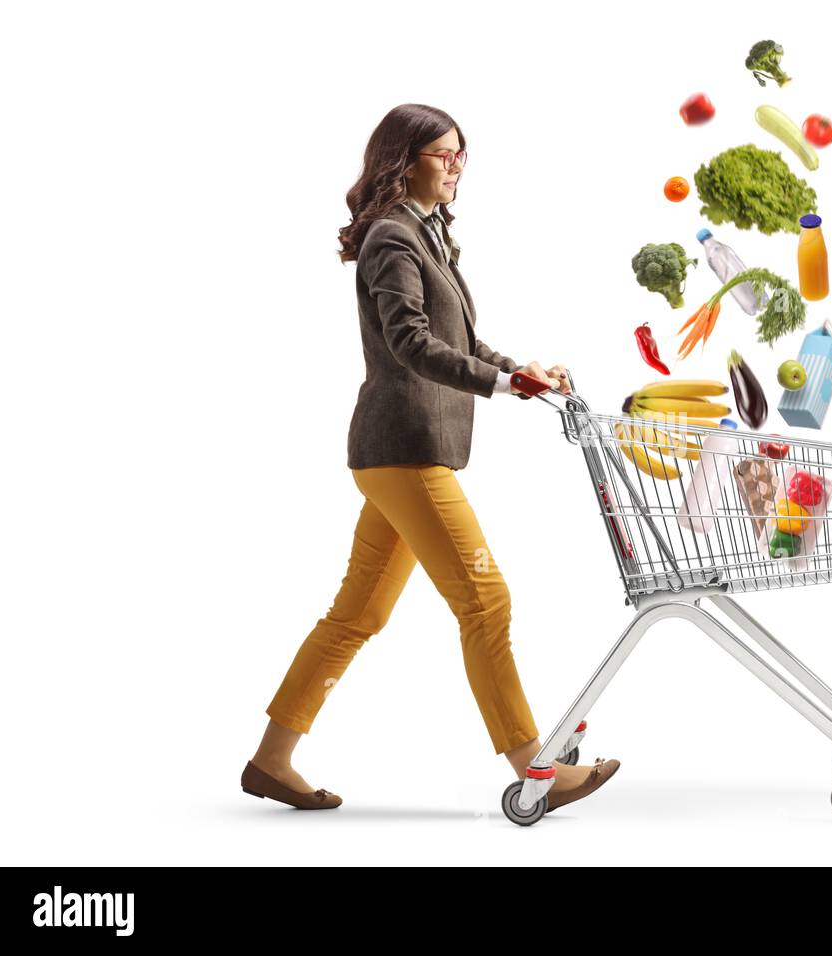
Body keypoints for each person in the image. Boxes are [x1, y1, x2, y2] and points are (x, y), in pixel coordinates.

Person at [241, 104, 619, 812]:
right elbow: (410, 341)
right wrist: (503, 383)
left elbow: (463, 343)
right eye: (442, 153)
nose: (455, 166)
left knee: (356, 616)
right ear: (401, 159)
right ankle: (534, 767)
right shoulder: (393, 238)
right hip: (404, 448)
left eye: (460, 154)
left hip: (404, 452)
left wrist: (519, 372)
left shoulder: (426, 235)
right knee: (485, 602)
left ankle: (271, 760)